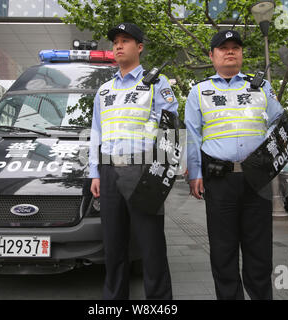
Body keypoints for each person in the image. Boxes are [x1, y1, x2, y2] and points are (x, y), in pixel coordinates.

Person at [185, 29, 284, 300]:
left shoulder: (261, 86)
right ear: (212, 55)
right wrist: (194, 173)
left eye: (235, 47)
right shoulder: (199, 91)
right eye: (223, 47)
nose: (230, 51)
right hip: (220, 180)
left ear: (241, 54)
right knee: (223, 249)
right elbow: (192, 135)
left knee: (259, 249)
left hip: (256, 178)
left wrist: (268, 154)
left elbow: (278, 122)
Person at [89, 22, 177, 300]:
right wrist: (95, 172)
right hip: (109, 171)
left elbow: (170, 129)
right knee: (113, 247)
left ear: (139, 47)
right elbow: (96, 132)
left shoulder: (156, 83)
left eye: (125, 40)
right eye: (115, 41)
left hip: (143, 171)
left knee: (151, 247)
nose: (118, 45)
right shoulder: (103, 91)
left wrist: (161, 174)